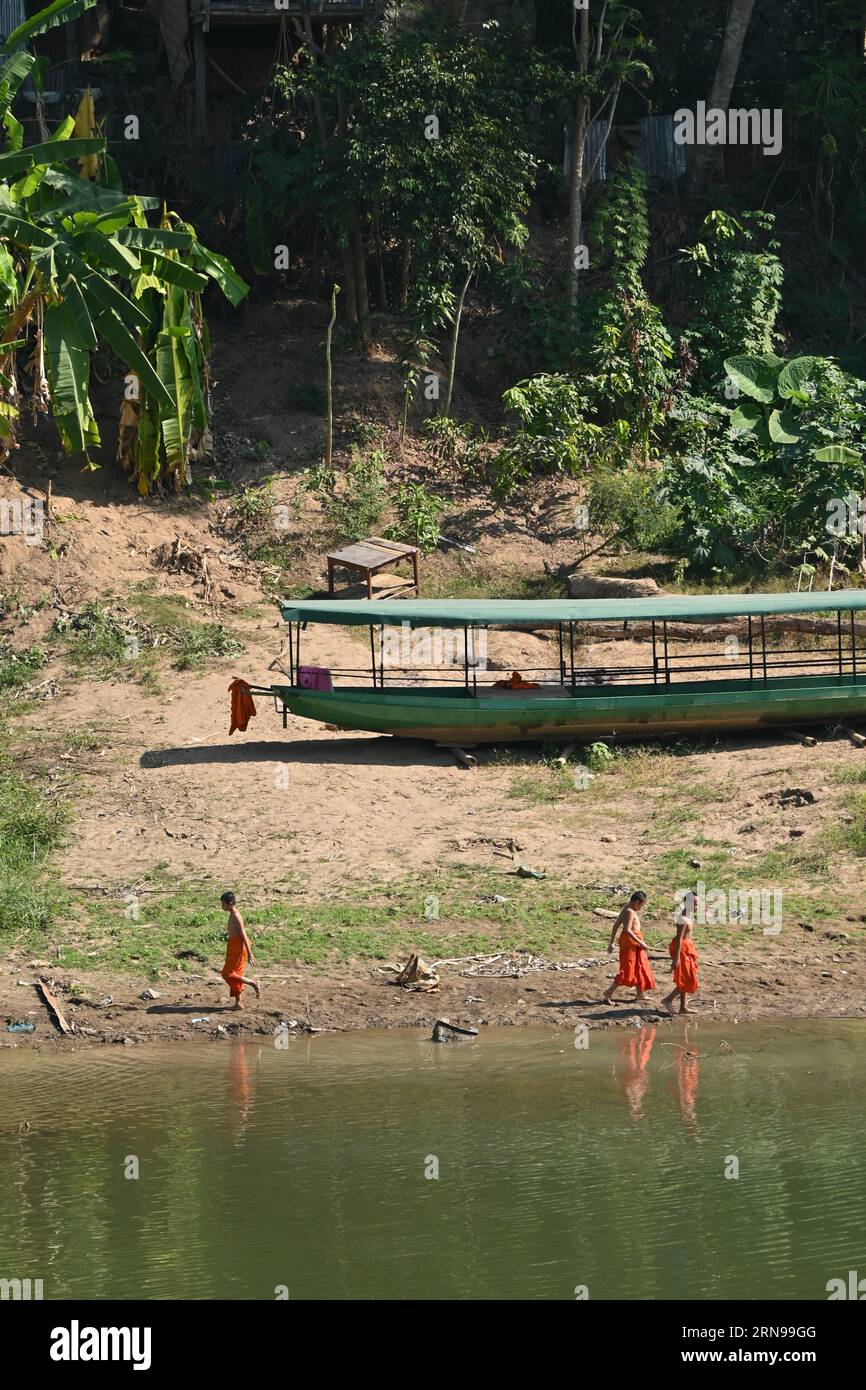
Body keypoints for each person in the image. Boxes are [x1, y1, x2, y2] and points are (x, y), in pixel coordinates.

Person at [602, 890, 655, 1004]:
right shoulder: (630, 911)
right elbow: (627, 930)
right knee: (627, 969)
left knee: (639, 967)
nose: (642, 907)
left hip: (634, 943)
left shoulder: (626, 909)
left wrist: (611, 942)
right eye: (642, 904)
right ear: (637, 902)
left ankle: (640, 994)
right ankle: (608, 992)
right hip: (631, 944)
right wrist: (642, 943)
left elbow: (616, 926)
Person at [219, 892, 261, 1010]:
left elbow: (243, 934)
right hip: (234, 946)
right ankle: (239, 1003)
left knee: (227, 974)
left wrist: (250, 953)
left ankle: (252, 983)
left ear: (230, 904)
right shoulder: (232, 914)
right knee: (236, 975)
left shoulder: (236, 915)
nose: (221, 906)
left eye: (223, 904)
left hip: (238, 948)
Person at [661, 896, 699, 1015]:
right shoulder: (682, 919)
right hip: (682, 950)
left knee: (686, 977)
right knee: (686, 979)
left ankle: (683, 1007)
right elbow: (679, 939)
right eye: (696, 904)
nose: (697, 906)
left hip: (687, 949)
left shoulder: (688, 917)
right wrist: (676, 959)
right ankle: (668, 1000)